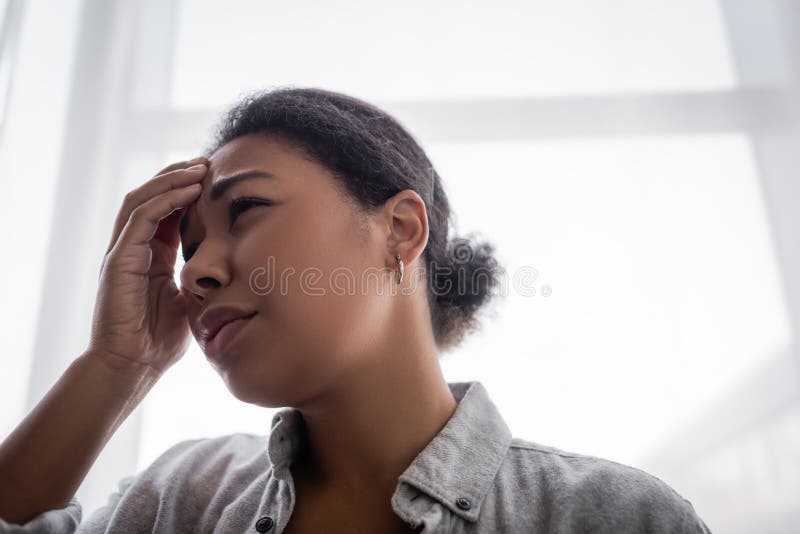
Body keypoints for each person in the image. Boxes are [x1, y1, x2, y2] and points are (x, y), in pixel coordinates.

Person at [0, 87, 712, 533]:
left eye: (245, 209)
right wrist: (116, 366)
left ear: (399, 231)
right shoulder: (178, 500)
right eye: (187, 249)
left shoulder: (614, 518)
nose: (197, 274)